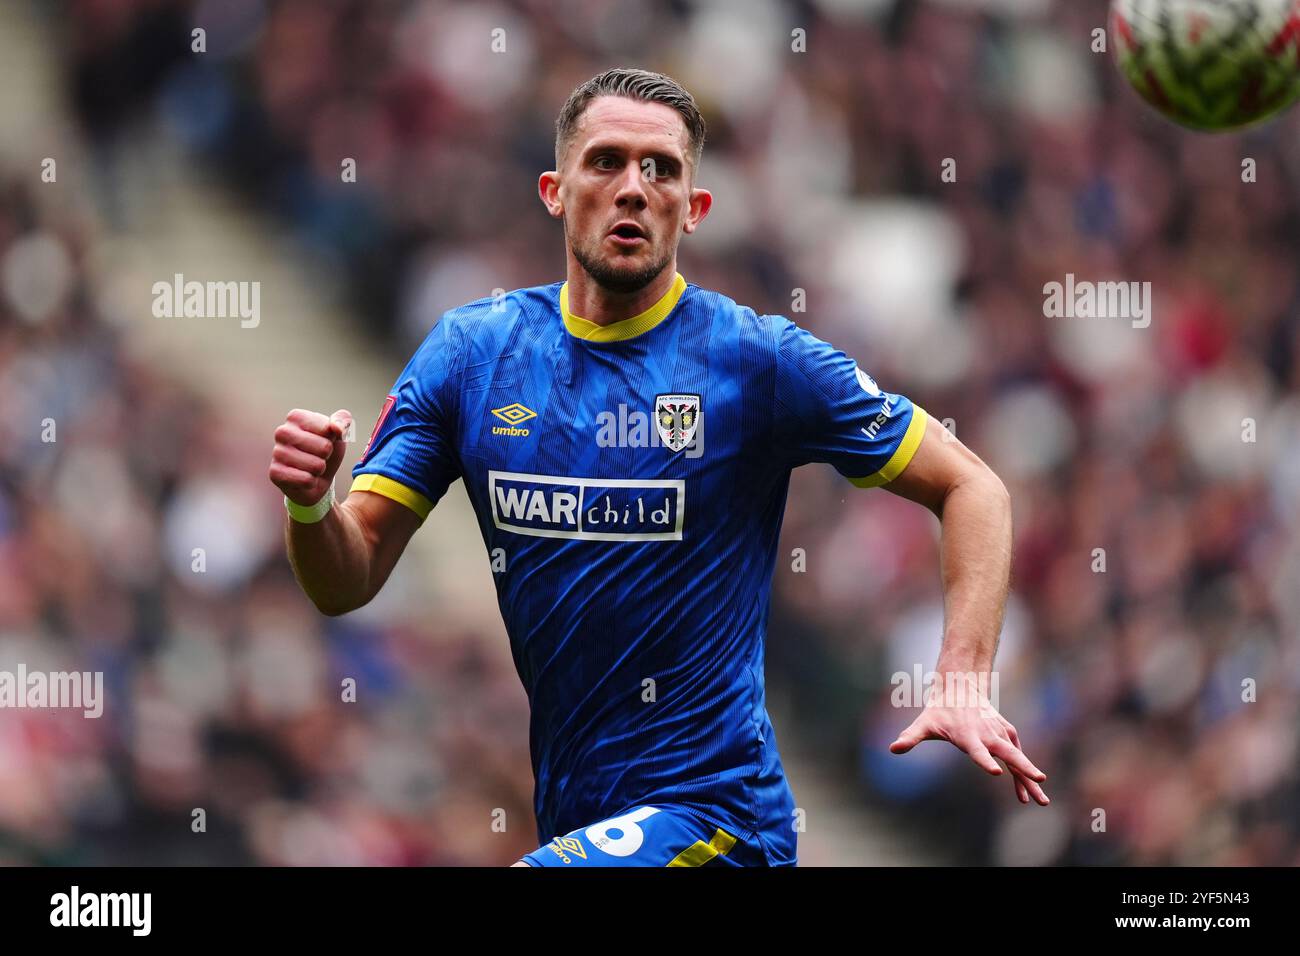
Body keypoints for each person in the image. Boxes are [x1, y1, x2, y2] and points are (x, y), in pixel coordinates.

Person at [269, 67, 1048, 868]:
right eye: (606, 161)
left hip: (718, 817)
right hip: (577, 815)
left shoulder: (756, 362)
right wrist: (308, 506)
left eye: (662, 169)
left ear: (695, 208)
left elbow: (973, 486)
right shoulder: (473, 356)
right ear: (554, 190)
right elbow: (346, 579)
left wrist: (960, 677)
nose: (634, 188)